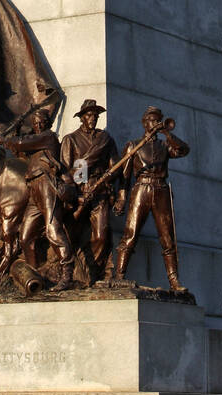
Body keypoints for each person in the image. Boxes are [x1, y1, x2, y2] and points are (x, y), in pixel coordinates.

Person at [114, 106, 189, 293]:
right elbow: (124, 175)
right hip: (141, 188)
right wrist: (122, 198)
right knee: (130, 234)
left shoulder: (165, 145)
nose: (155, 123)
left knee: (167, 238)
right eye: (152, 120)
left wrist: (167, 133)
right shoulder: (133, 145)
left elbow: (183, 150)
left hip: (161, 189)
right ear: (144, 122)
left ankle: (174, 281)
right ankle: (119, 275)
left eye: (158, 120)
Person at [6, 108, 75, 292]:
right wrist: (14, 133)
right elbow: (18, 149)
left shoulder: (48, 137)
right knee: (25, 236)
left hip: (47, 184)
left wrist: (9, 139)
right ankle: (34, 276)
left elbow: (20, 143)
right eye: (35, 122)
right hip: (32, 187)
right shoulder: (36, 144)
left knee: (53, 230)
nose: (38, 124)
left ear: (48, 123)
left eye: (41, 121)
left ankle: (67, 273)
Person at [60, 98, 119, 281]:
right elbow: (65, 171)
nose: (93, 118)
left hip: (100, 191)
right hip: (78, 193)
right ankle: (70, 270)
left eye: (95, 115)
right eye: (89, 115)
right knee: (69, 235)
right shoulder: (71, 139)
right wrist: (80, 191)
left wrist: (106, 180)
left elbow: (115, 166)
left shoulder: (105, 139)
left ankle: (90, 271)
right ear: (82, 118)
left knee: (101, 236)